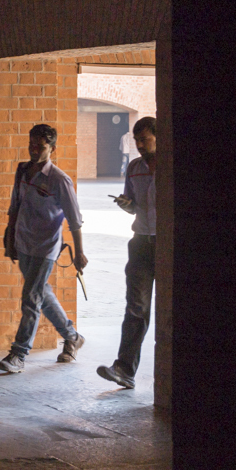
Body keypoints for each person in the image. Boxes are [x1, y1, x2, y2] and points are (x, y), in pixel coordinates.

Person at [0, 123, 88, 373]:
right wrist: (10, 236)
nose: (35, 150)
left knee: (31, 298)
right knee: (41, 294)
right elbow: (15, 204)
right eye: (32, 145)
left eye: (41, 146)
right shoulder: (22, 170)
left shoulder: (59, 180)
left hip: (46, 247)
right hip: (24, 242)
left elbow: (75, 220)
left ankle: (19, 354)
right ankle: (72, 337)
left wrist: (79, 253)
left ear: (53, 149)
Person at [97, 117, 157, 389]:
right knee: (136, 308)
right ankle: (124, 369)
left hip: (168, 245)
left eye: (145, 139)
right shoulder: (134, 168)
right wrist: (125, 205)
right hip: (141, 243)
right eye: (137, 141)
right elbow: (132, 206)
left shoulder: (172, 165)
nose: (140, 145)